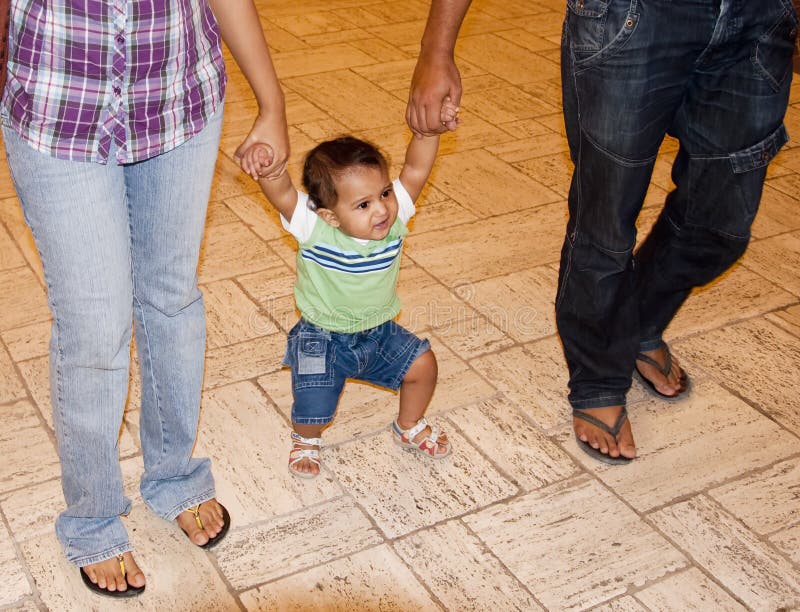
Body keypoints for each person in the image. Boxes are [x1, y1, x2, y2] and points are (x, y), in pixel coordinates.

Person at [408, 0, 797, 464]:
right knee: (605, 220)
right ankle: (598, 373)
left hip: (759, 19)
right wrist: (437, 48)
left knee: (721, 224)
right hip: (632, 16)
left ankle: (636, 323)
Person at [1, 0, 288, 597]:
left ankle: (175, 474)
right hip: (57, 101)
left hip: (178, 97)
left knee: (171, 298)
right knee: (94, 324)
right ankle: (94, 513)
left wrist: (272, 101)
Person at [239, 100, 460, 478]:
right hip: (320, 337)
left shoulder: (394, 218)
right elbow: (281, 192)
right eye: (363, 204)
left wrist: (427, 133)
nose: (382, 210)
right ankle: (305, 439)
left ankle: (408, 425)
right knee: (314, 402)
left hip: (379, 331)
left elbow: (417, 167)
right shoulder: (313, 228)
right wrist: (268, 166)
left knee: (423, 365)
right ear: (328, 215)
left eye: (385, 193)